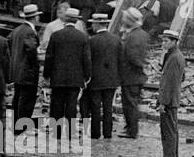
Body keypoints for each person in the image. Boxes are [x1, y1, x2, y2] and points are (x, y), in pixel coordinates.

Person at [44, 8, 90, 132]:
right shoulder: (83, 37)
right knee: (71, 105)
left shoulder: (56, 35)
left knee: (56, 104)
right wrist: (87, 76)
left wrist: (46, 75)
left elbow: (49, 57)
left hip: (57, 77)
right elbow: (86, 59)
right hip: (75, 77)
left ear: (65, 19)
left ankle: (56, 131)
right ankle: (70, 132)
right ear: (76, 21)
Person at [82, 13, 120, 142]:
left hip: (95, 80)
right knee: (108, 107)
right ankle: (108, 133)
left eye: (93, 23)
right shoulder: (116, 40)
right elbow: (121, 60)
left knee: (95, 107)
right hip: (111, 79)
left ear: (97, 24)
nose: (92, 26)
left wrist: (86, 77)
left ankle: (95, 132)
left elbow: (87, 61)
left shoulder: (91, 41)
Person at [155, 29, 185, 157]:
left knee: (168, 129)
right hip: (172, 98)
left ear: (174, 42)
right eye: (163, 40)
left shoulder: (174, 57)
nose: (163, 43)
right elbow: (181, 77)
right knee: (170, 128)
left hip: (169, 100)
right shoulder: (175, 55)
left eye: (166, 41)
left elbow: (169, 82)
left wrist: (163, 102)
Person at [117, 9, 150, 138]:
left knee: (129, 104)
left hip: (130, 76)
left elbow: (132, 56)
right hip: (136, 77)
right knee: (132, 103)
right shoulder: (142, 34)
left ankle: (131, 130)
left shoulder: (132, 36)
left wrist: (139, 66)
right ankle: (130, 127)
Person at [9, 5, 42, 126]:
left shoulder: (17, 30)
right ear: (35, 17)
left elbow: (9, 44)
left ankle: (16, 124)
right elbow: (31, 51)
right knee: (27, 99)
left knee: (17, 97)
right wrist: (35, 66)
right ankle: (22, 125)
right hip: (27, 71)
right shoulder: (29, 32)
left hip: (17, 70)